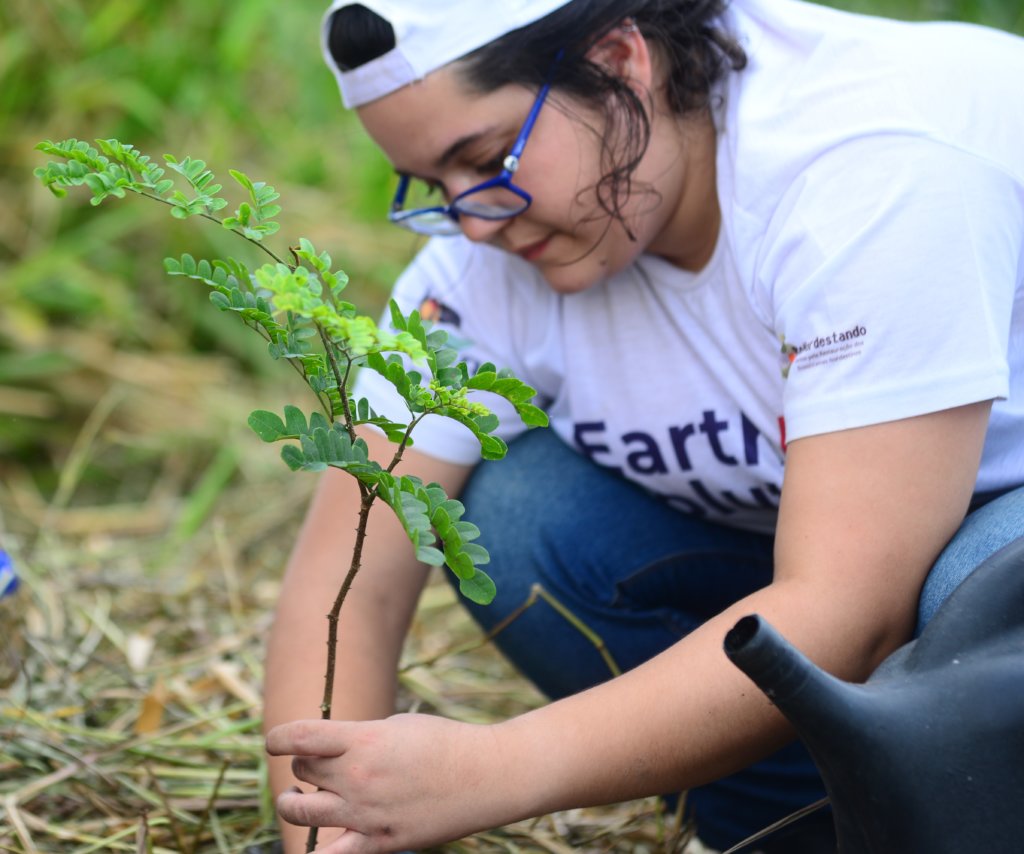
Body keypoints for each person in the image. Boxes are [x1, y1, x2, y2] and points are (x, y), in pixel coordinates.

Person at [262, 0, 1024, 851]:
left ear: (622, 59)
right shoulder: (482, 265)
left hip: (986, 545)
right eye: (434, 188)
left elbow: (856, 607)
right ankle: (792, 827)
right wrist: (325, 839)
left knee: (976, 590)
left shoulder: (865, 167)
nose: (476, 221)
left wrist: (489, 772)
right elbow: (346, 584)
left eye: (485, 159)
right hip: (828, 558)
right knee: (522, 517)